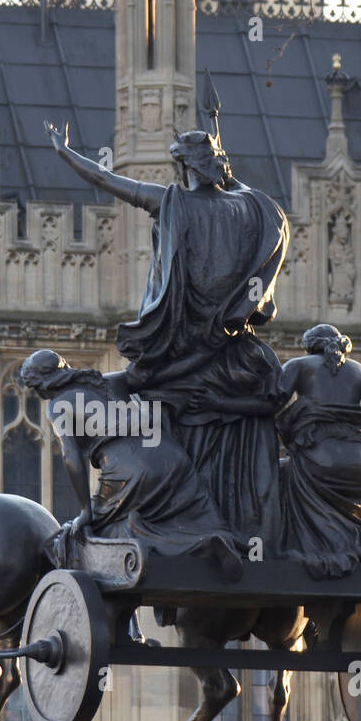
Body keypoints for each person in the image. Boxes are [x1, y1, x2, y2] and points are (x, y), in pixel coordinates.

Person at [44, 121, 287, 547]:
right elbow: (270, 216)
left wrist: (65, 154)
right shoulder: (254, 209)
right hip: (237, 363)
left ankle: (156, 522)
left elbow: (109, 180)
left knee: (126, 391)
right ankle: (247, 536)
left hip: (182, 363)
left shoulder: (175, 204)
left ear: (182, 167)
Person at [19, 349, 244, 578]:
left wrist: (86, 511)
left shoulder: (57, 404)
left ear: (43, 385)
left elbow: (70, 455)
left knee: (92, 534)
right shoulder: (107, 382)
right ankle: (220, 539)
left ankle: (197, 545)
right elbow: (148, 375)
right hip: (171, 458)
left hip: (127, 471)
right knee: (194, 511)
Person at [276, 324, 361, 579]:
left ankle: (300, 548)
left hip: (320, 457)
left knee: (282, 474)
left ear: (310, 347)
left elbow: (271, 401)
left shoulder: (299, 366)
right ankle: (359, 540)